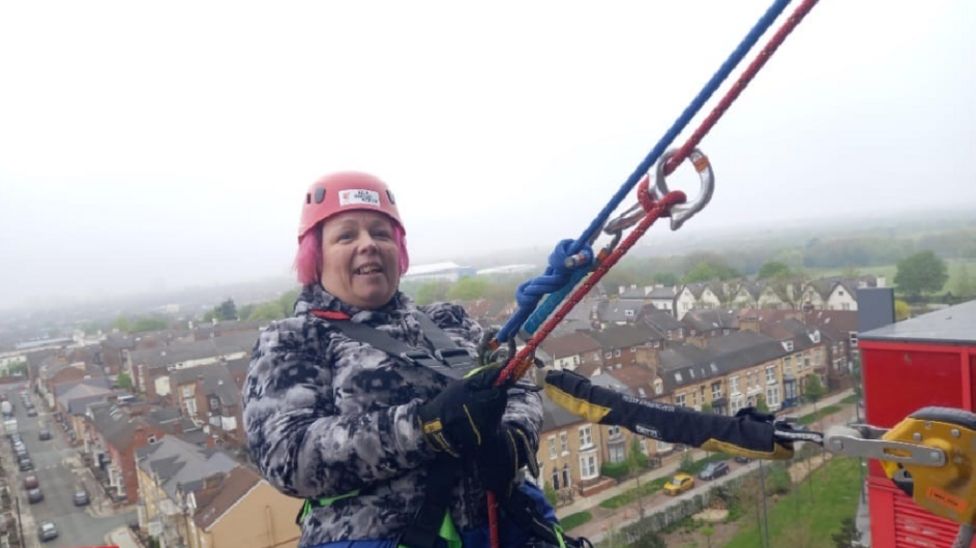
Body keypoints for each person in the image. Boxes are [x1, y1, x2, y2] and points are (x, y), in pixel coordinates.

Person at [244, 172, 576, 548]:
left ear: (397, 252)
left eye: (381, 234)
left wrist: (514, 437)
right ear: (316, 256)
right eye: (347, 235)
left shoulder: (448, 320)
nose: (368, 244)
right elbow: (287, 455)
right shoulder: (293, 340)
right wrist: (426, 426)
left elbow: (512, 384)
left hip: (504, 528)